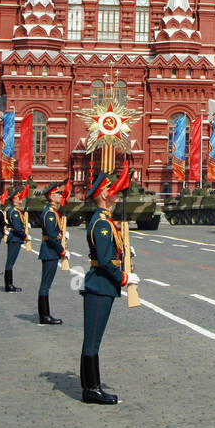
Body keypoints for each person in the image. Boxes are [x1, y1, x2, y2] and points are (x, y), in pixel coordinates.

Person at [80, 172, 139, 404]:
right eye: (111, 189)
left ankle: (89, 386)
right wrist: (124, 277)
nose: (115, 193)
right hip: (100, 286)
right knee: (92, 341)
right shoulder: (102, 223)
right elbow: (104, 261)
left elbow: (107, 253)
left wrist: (124, 253)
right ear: (104, 194)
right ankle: (92, 389)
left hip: (101, 286)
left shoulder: (103, 220)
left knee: (92, 340)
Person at [38, 182, 67, 325]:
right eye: (58, 194)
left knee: (46, 284)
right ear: (52, 196)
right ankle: (44, 316)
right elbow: (50, 235)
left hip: (49, 251)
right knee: (45, 284)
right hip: (50, 252)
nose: (61, 196)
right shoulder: (50, 213)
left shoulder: (52, 211)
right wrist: (61, 250)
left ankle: (45, 314)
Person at [3, 192, 26, 293]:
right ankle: (9, 285)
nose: (20, 199)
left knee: (10, 262)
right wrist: (24, 236)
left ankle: (9, 284)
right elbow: (17, 228)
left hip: (14, 238)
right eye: (18, 197)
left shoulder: (14, 210)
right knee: (10, 262)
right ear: (14, 200)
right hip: (15, 238)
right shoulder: (15, 212)